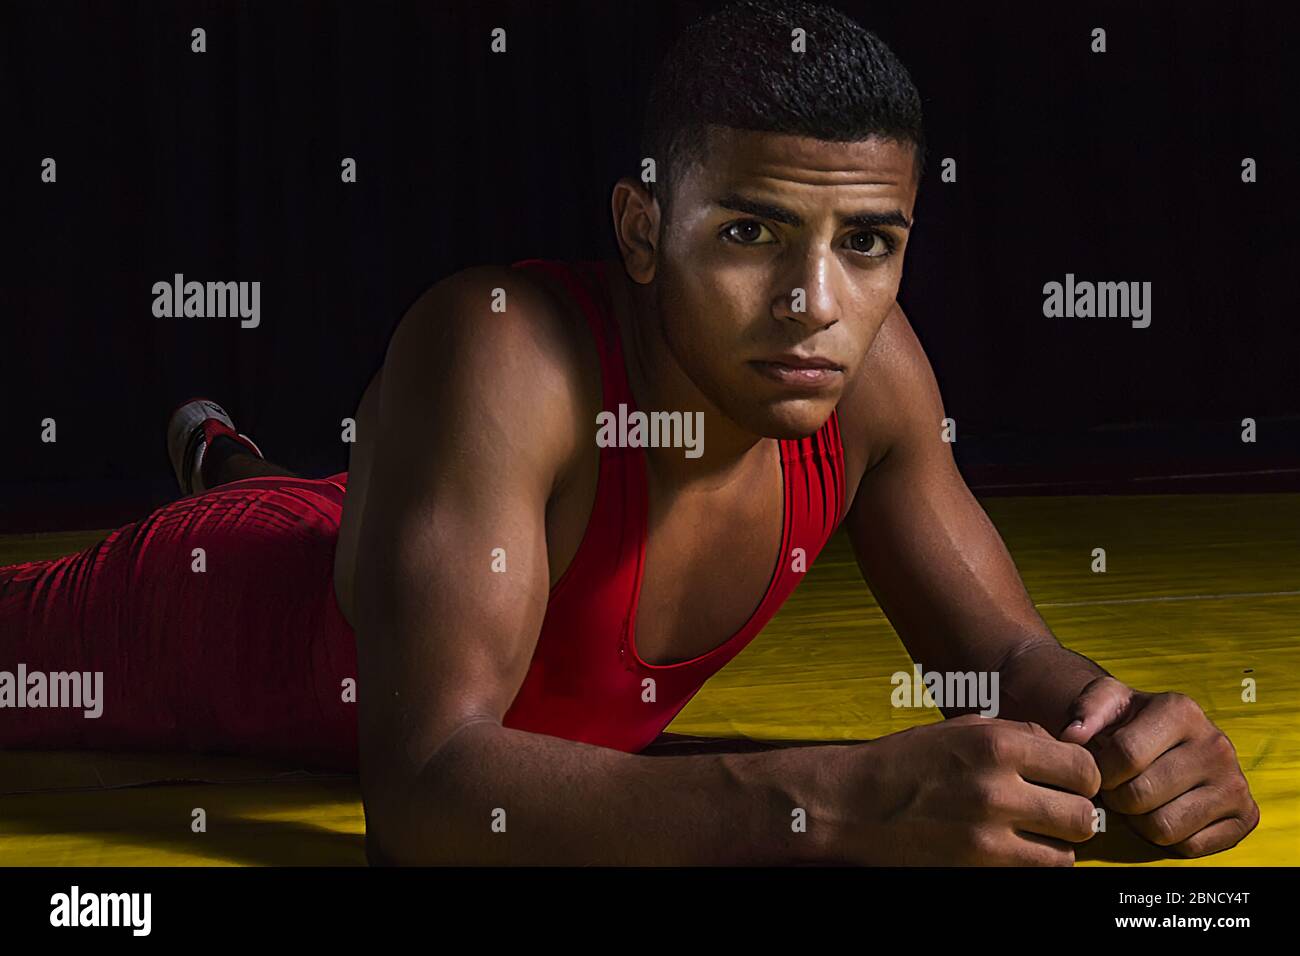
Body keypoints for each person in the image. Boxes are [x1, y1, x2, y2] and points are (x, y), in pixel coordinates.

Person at [0, 0, 1257, 865]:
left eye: (866, 242)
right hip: (214, 601)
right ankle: (228, 476)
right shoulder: (500, 348)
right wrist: (831, 800)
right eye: (751, 232)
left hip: (416, 535)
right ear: (644, 230)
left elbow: (1002, 652)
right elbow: (427, 792)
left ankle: (235, 449)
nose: (815, 304)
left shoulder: (870, 373)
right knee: (246, 537)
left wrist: (1130, 731)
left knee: (353, 510)